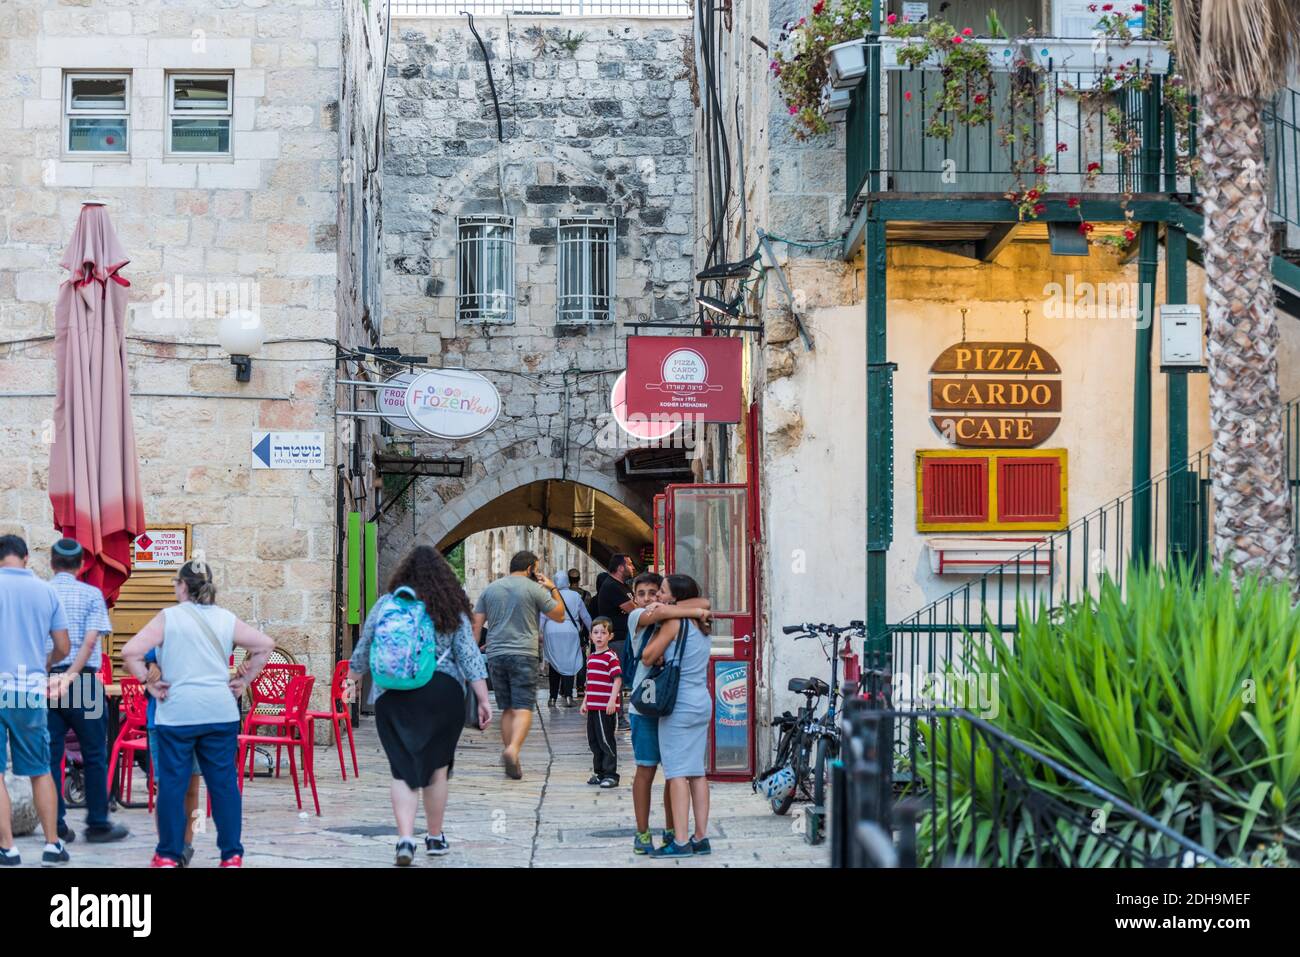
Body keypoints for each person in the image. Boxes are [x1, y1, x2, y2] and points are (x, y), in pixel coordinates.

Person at [121, 560, 274, 868]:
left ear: (182, 586)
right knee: (223, 785)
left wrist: (148, 682)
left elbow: (130, 652)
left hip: (177, 713)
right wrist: (244, 680)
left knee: (172, 785)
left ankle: (167, 854)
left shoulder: (169, 618)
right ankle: (231, 855)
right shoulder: (225, 618)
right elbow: (265, 645)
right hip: (220, 711)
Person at [348, 546, 491, 866]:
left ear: (403, 574)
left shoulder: (387, 604)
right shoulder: (449, 607)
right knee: (437, 770)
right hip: (442, 694)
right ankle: (435, 838)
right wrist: (483, 699)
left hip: (393, 695)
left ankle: (405, 839)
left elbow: (364, 648)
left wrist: (351, 681)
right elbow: (469, 656)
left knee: (402, 770)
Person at [45, 537, 129, 845]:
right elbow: (92, 641)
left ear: (51, 563)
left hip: (49, 681)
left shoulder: (43, 592)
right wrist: (73, 675)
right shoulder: (92, 594)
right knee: (94, 753)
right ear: (82, 564)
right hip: (84, 683)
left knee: (51, 756)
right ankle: (97, 823)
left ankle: (55, 824)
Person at [624, 571, 710, 855]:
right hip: (647, 704)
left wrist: (689, 609)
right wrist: (693, 610)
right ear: (634, 598)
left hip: (673, 706)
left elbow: (704, 602)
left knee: (675, 773)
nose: (650, 598)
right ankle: (643, 832)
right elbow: (690, 607)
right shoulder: (637, 617)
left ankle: (674, 832)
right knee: (647, 769)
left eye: (655, 591)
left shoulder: (674, 620)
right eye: (642, 594)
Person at [0, 535, 72, 867]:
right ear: (26, 557)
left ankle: (7, 848)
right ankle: (52, 845)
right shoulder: (46, 591)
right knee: (40, 770)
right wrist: (45, 662)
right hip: (28, 691)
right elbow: (63, 646)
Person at [473, 550, 564, 780]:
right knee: (523, 706)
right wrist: (552, 588)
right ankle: (513, 750)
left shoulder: (490, 589)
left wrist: (472, 654)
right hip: (524, 653)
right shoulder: (534, 589)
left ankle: (512, 755)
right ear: (531, 568)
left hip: (496, 654)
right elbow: (559, 615)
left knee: (506, 708)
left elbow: (476, 625)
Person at [143, 646, 203, 866]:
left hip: (197, 719)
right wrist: (150, 667)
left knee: (192, 787)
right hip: (162, 720)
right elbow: (134, 658)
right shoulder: (161, 633)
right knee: (166, 789)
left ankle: (187, 845)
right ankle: (167, 848)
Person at [595, 553, 637, 729]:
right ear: (620, 567)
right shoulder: (612, 586)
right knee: (616, 679)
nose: (633, 567)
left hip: (625, 637)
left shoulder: (622, 586)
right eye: (629, 564)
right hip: (617, 639)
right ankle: (617, 717)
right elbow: (634, 609)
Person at [579, 618, 621, 788]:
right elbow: (589, 682)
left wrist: (612, 700)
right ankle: (599, 772)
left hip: (605, 708)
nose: (599, 636)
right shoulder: (591, 658)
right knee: (594, 741)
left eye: (603, 633)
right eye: (595, 633)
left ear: (610, 636)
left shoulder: (610, 656)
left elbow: (617, 679)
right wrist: (585, 701)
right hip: (593, 707)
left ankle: (611, 774)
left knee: (606, 740)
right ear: (590, 635)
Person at [541, 565, 590, 708]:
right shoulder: (576, 596)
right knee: (569, 662)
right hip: (570, 631)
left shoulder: (548, 596)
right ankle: (568, 696)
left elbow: (542, 617)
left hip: (551, 630)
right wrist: (593, 631)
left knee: (554, 663)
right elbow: (585, 616)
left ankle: (552, 698)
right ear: (567, 582)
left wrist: (537, 633)